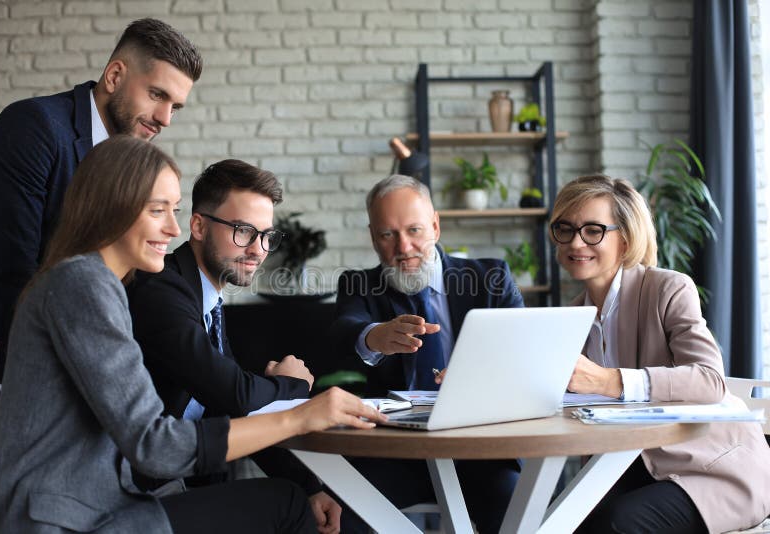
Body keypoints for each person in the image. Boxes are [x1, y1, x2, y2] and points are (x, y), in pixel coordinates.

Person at [0, 135, 385, 534]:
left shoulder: (95, 284)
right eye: (158, 211)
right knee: (286, 506)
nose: (173, 229)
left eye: (173, 210)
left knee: (291, 500)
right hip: (65, 520)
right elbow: (154, 444)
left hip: (96, 505)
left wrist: (309, 478)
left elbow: (220, 408)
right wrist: (298, 414)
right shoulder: (85, 285)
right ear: (111, 207)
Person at [0, 18, 202, 431]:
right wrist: (21, 390)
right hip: (9, 378)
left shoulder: (128, 162)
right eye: (157, 95)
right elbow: (11, 271)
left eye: (176, 107)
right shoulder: (35, 127)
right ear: (115, 76)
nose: (165, 118)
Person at [127, 159, 351, 533]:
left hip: (177, 483)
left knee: (302, 500)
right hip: (133, 496)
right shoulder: (161, 290)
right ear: (198, 226)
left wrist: (310, 487)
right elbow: (234, 393)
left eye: (266, 236)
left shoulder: (206, 302)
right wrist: (291, 383)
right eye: (244, 231)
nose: (258, 250)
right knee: (286, 504)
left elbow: (234, 409)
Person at [550, 174, 770, 533]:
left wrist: (609, 381)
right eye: (566, 229)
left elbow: (709, 381)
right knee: (562, 520)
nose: (576, 242)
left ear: (626, 239)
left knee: (617, 523)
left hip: (713, 470)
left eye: (593, 230)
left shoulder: (668, 289)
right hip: (632, 466)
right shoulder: (572, 317)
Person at [329, 174, 523, 534]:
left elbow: (522, 354)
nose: (403, 247)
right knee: (337, 516)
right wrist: (374, 336)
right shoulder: (359, 285)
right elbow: (345, 329)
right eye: (387, 234)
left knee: (518, 509)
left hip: (480, 452)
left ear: (435, 225)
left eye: (414, 230)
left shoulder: (490, 278)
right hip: (395, 454)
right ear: (373, 237)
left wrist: (482, 375)